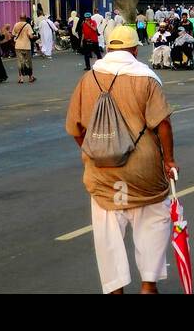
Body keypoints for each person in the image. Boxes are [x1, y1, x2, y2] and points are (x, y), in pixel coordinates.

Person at [64, 24, 176, 294]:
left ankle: (115, 289)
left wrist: (93, 150)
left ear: (108, 48)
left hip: (102, 170)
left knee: (107, 233)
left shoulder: (88, 79)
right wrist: (169, 160)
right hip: (144, 169)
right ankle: (148, 285)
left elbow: (74, 128)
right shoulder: (146, 78)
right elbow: (162, 124)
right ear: (135, 50)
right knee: (153, 220)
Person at [11, 12, 37, 84]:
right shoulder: (28, 25)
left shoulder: (16, 25)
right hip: (26, 46)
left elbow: (12, 35)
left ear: (19, 18)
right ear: (25, 18)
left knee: (20, 62)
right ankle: (30, 77)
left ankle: (21, 78)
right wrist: (35, 36)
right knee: (28, 62)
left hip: (18, 46)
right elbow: (31, 36)